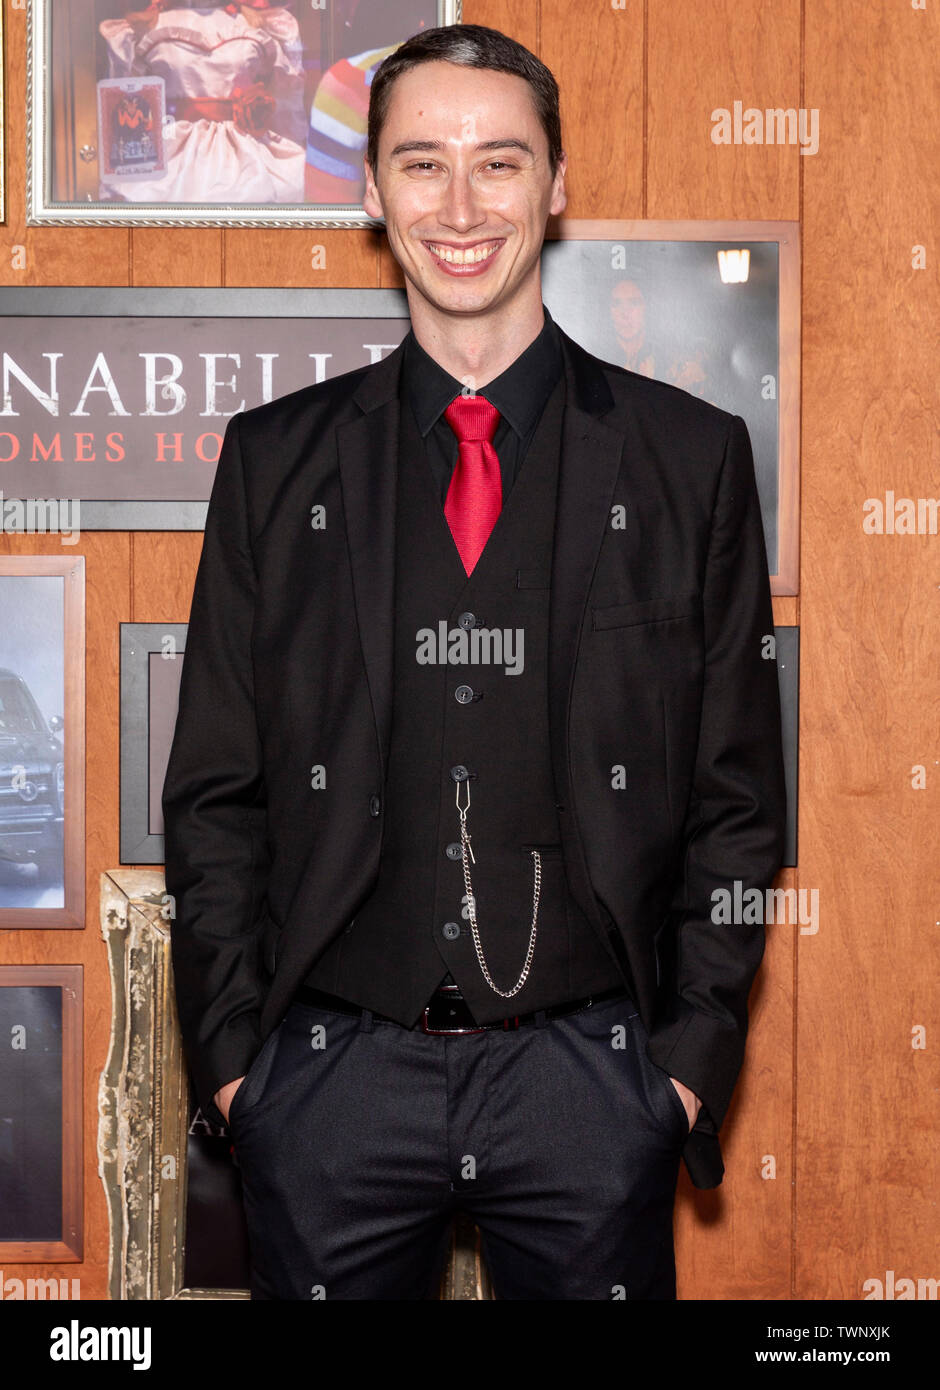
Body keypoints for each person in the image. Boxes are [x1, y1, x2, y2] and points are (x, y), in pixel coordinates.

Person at [163, 22, 786, 1301]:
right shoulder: (276, 464)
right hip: (330, 1083)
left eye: (499, 163)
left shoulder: (689, 457)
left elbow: (737, 802)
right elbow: (216, 790)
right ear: (375, 191)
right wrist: (241, 1068)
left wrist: (676, 1069)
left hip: (590, 1083)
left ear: (555, 186)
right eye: (422, 163)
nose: (461, 205)